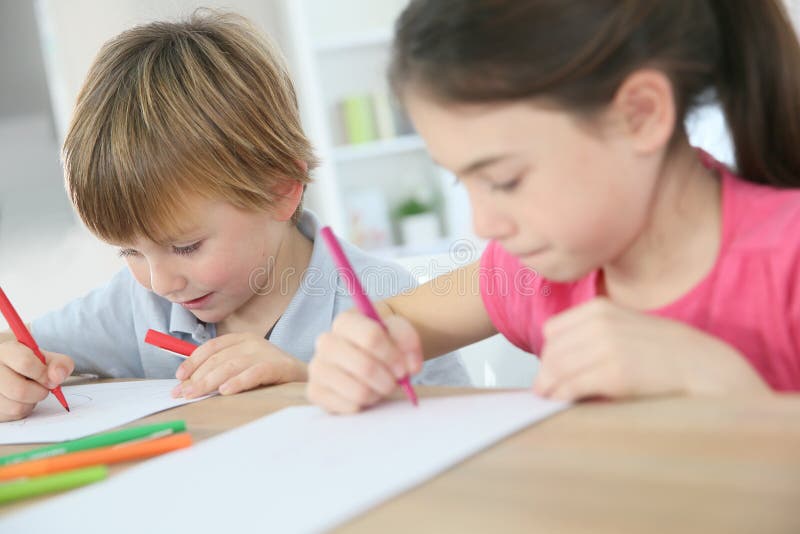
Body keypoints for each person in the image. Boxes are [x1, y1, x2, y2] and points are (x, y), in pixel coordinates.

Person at [307, 0, 800, 413]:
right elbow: (391, 316)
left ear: (640, 115)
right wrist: (359, 351)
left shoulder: (788, 261)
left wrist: (721, 384)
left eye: (504, 180)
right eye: (463, 181)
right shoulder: (535, 268)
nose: (484, 224)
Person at [0, 11, 468, 422]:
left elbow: (461, 442)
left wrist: (306, 384)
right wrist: (12, 376)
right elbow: (18, 347)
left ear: (281, 190)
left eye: (186, 246)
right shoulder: (137, 305)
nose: (161, 282)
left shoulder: (385, 304)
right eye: (129, 252)